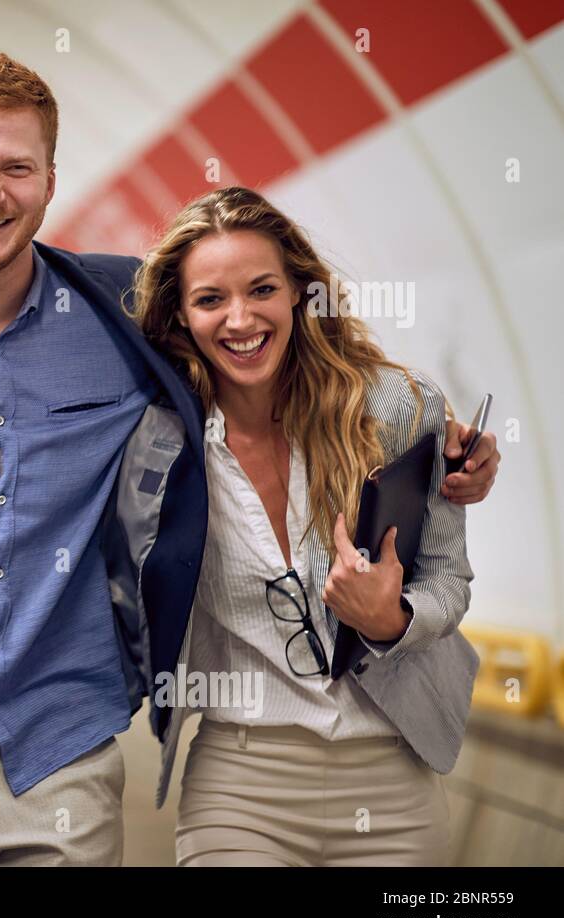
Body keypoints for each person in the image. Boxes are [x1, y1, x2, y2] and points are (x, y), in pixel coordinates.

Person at [0, 53, 500, 866]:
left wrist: (436, 446)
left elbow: (275, 344)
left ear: (51, 179)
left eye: (17, 167)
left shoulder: (126, 309)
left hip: (62, 759)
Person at [125, 186, 479, 865]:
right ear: (180, 316)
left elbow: (450, 579)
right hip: (239, 778)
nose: (239, 318)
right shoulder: (159, 441)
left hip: (393, 779)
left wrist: (392, 620)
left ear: (299, 294)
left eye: (261, 289)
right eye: (209, 300)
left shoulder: (399, 409)